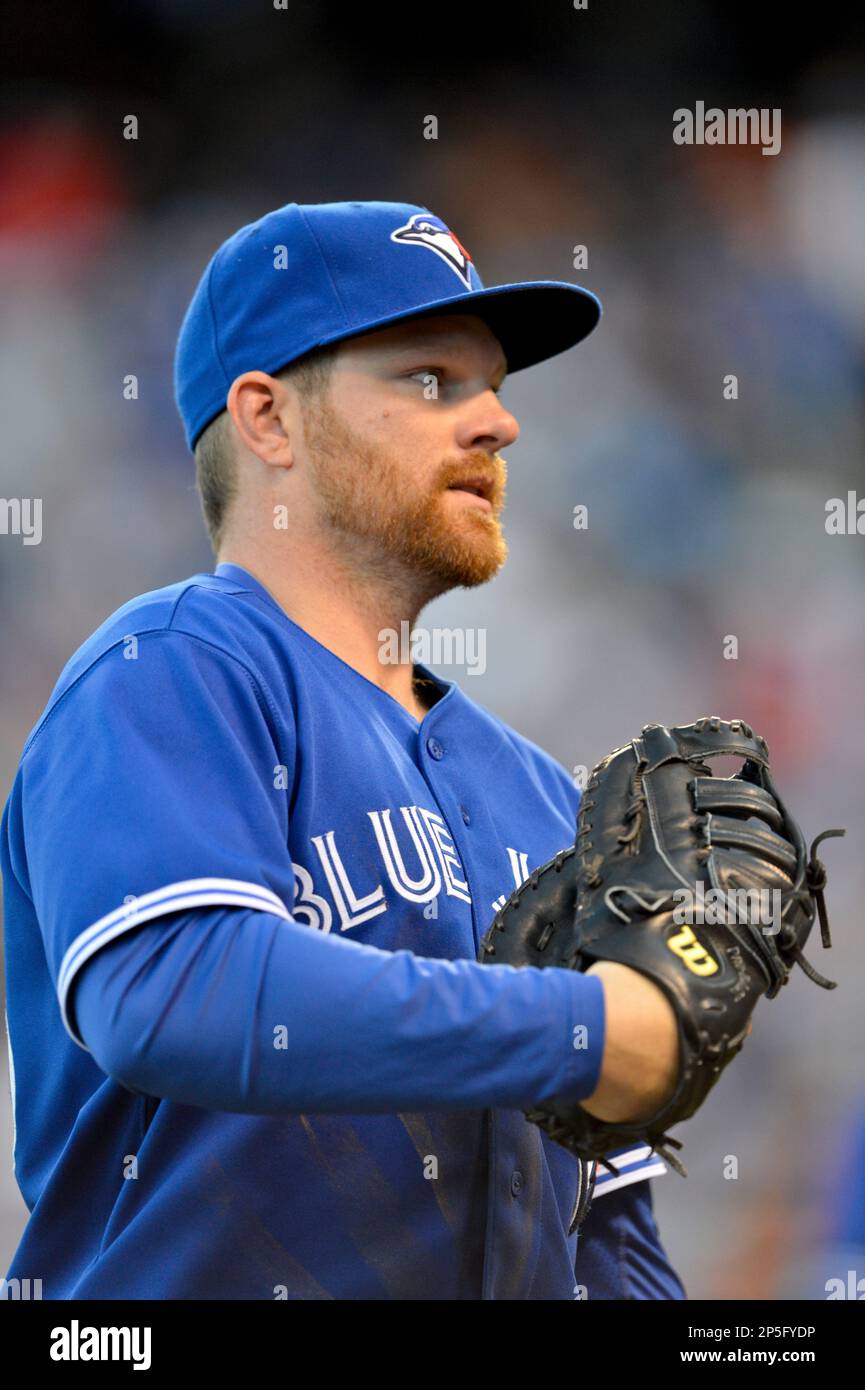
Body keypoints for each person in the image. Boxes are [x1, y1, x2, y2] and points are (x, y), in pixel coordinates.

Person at [1, 200, 684, 1299]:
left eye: (494, 386)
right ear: (268, 418)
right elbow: (175, 989)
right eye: (429, 380)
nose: (496, 423)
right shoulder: (170, 667)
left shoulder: (543, 796)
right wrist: (588, 1024)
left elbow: (607, 1234)